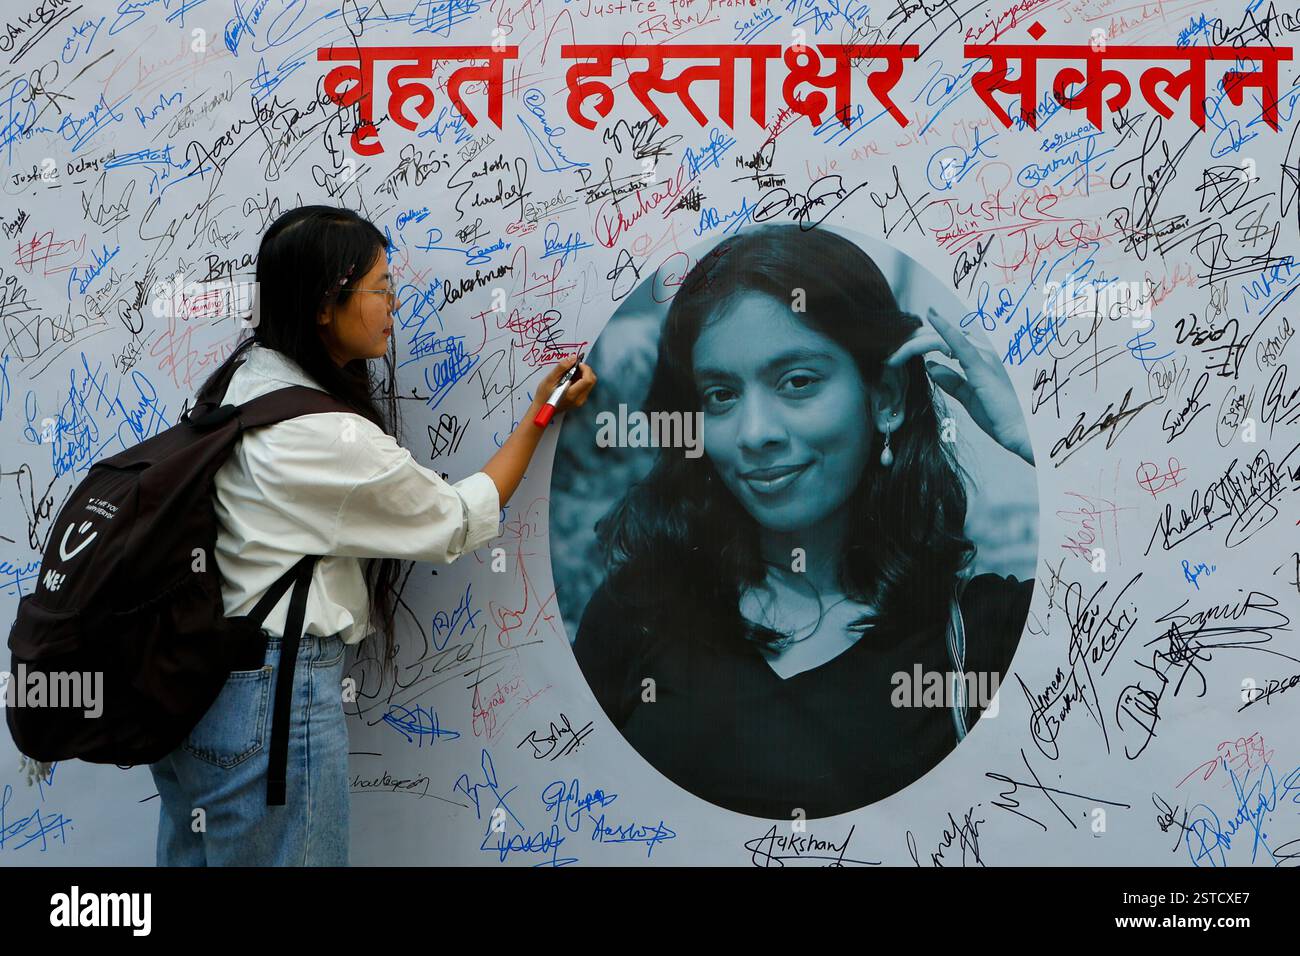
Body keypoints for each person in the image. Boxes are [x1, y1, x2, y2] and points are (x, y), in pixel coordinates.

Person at [147, 205, 595, 865]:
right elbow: (455, 517)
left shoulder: (243, 385)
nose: (393, 307)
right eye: (381, 289)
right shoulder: (325, 435)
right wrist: (540, 415)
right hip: (272, 697)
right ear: (327, 305)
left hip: (203, 693)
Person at [572, 224, 1033, 819]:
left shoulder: (985, 635)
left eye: (798, 382)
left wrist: (1033, 439)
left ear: (885, 397)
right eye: (720, 395)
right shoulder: (635, 617)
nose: (755, 432)